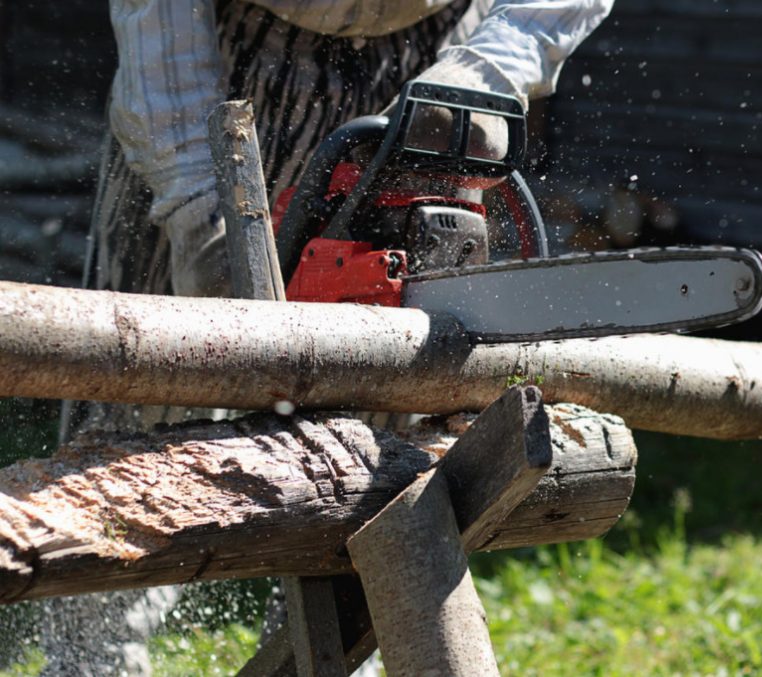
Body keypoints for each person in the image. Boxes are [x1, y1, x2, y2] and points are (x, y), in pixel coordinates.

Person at [46, 1, 614, 675]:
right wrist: (199, 208)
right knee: (136, 392)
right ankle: (90, 654)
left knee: (379, 448)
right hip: (216, 70)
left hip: (434, 71)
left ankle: (342, 647)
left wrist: (485, 72)